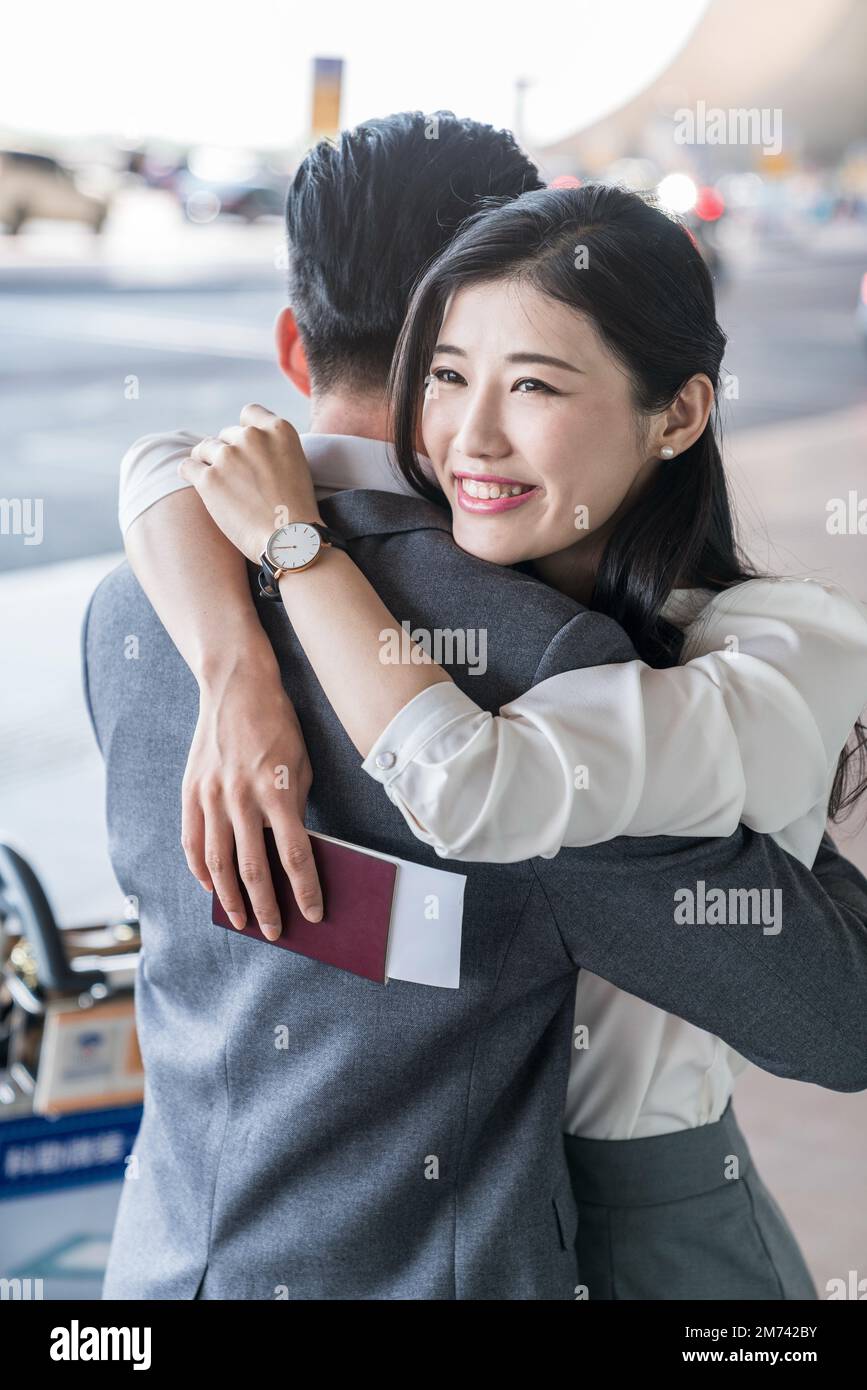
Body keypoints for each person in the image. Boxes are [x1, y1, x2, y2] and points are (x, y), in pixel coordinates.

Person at [105, 126, 867, 1298]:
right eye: (460, 372)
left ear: (292, 344)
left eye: (531, 380)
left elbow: (161, 466)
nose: (480, 425)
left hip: (165, 1266)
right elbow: (830, 1015)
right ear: (435, 344)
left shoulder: (136, 601)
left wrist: (237, 661)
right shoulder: (543, 660)